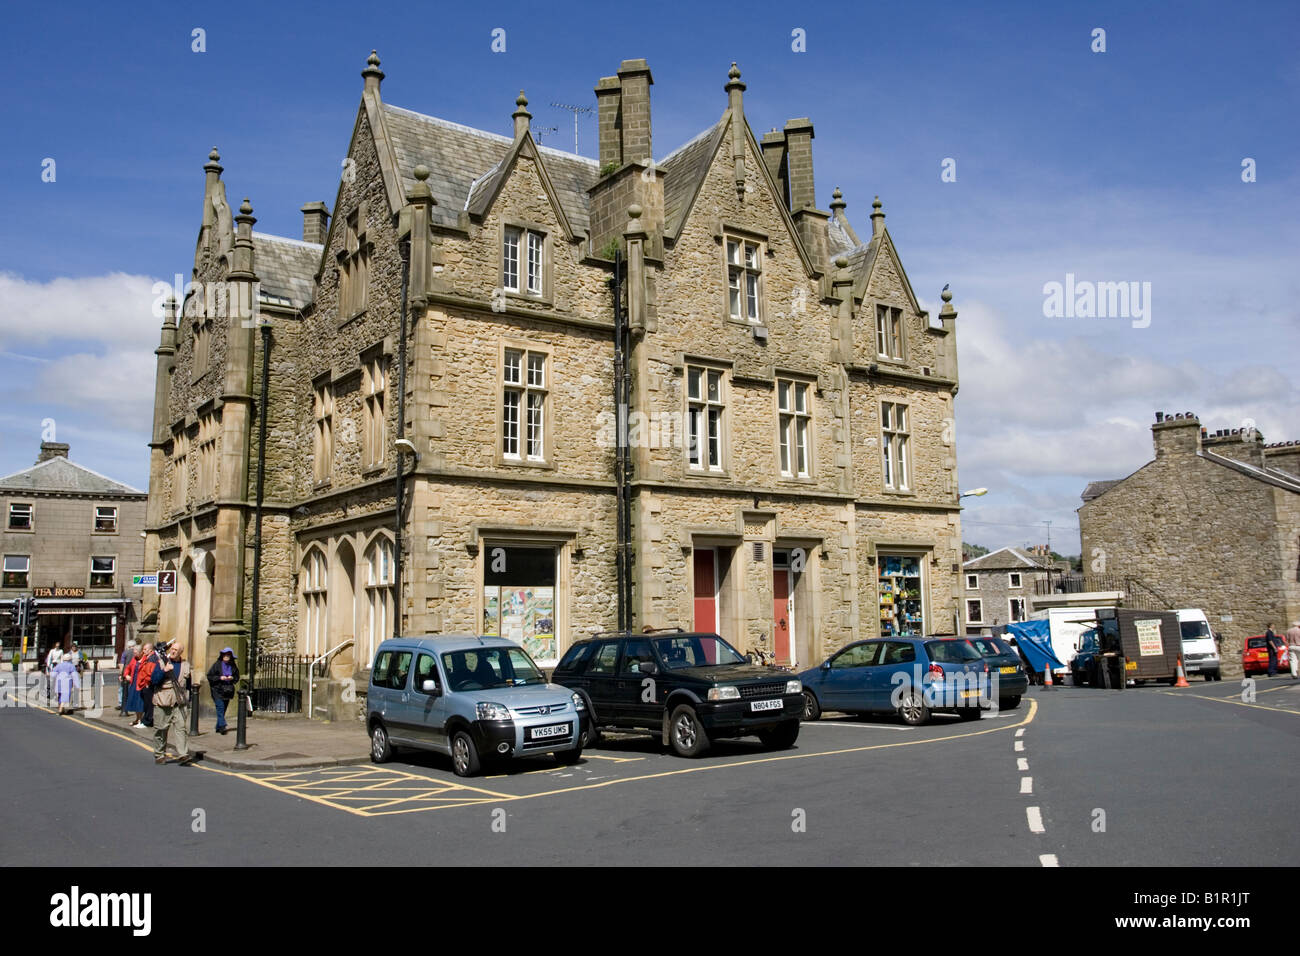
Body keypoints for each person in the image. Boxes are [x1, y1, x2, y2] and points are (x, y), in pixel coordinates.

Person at [152, 642, 193, 765]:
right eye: (173, 649)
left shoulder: (185, 665)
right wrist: (164, 671)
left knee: (181, 729)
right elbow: (154, 680)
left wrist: (188, 699)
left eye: (176, 649)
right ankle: (159, 754)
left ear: (181, 652)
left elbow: (189, 685)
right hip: (163, 701)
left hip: (179, 703)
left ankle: (183, 754)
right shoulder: (161, 663)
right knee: (161, 729)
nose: (173, 651)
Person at [206, 647, 240, 735]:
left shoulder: (233, 666)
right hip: (217, 689)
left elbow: (237, 677)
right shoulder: (217, 665)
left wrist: (232, 678)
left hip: (227, 690)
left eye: (228, 655)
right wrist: (220, 678)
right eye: (225, 655)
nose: (226, 657)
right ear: (222, 656)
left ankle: (218, 726)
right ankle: (222, 726)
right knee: (220, 707)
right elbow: (210, 676)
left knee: (223, 708)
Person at [134, 642, 160, 728]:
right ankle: (144, 720)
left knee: (149, 704)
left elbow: (149, 673)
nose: (143, 651)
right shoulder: (147, 658)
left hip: (147, 684)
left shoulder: (152, 659)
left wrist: (147, 683)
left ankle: (147, 722)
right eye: (143, 649)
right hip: (144, 684)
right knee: (146, 703)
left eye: (145, 649)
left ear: (151, 650)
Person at [123, 644, 145, 725]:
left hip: (141, 683)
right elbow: (127, 668)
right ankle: (137, 718)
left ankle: (141, 719)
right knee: (135, 701)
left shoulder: (145, 660)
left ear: (141, 652)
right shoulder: (134, 659)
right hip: (134, 682)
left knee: (140, 702)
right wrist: (126, 675)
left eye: (136, 653)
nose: (134, 654)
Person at [118, 641, 137, 714]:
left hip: (126, 672)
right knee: (132, 688)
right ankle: (131, 704)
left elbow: (122, 664)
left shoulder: (125, 653)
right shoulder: (137, 652)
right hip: (134, 672)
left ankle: (121, 705)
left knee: (122, 688)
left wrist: (120, 674)